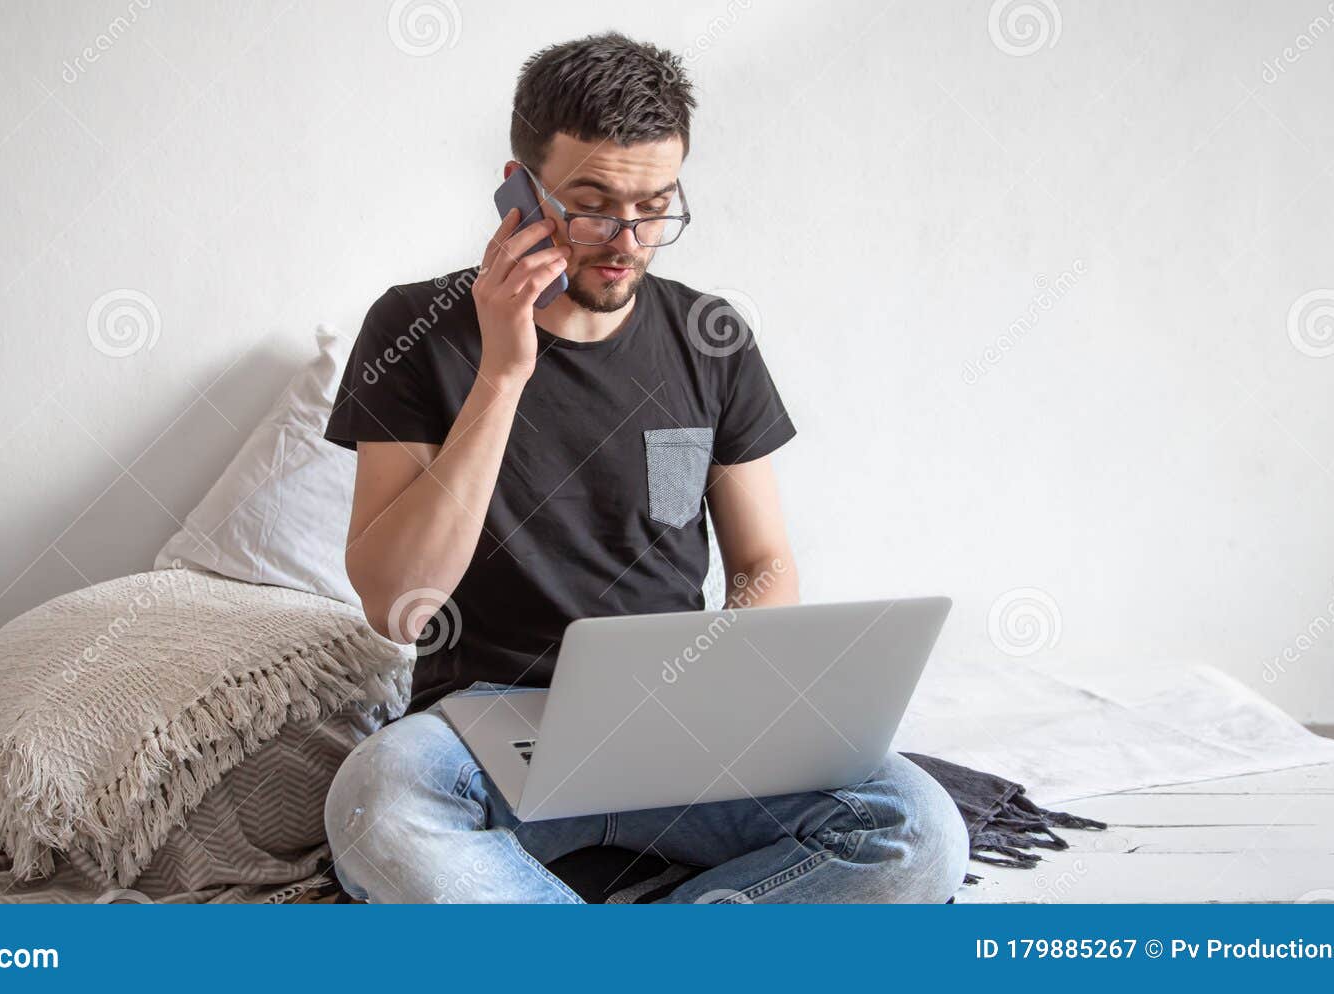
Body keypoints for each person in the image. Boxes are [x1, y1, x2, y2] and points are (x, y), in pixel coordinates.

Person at [321, 32, 966, 903]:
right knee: (375, 807)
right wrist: (504, 373)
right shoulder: (416, 328)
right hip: (484, 730)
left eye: (656, 206)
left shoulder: (711, 336)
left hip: (678, 729)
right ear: (519, 190)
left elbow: (764, 561)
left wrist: (735, 690)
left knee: (917, 831)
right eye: (592, 206)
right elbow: (399, 605)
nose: (628, 241)